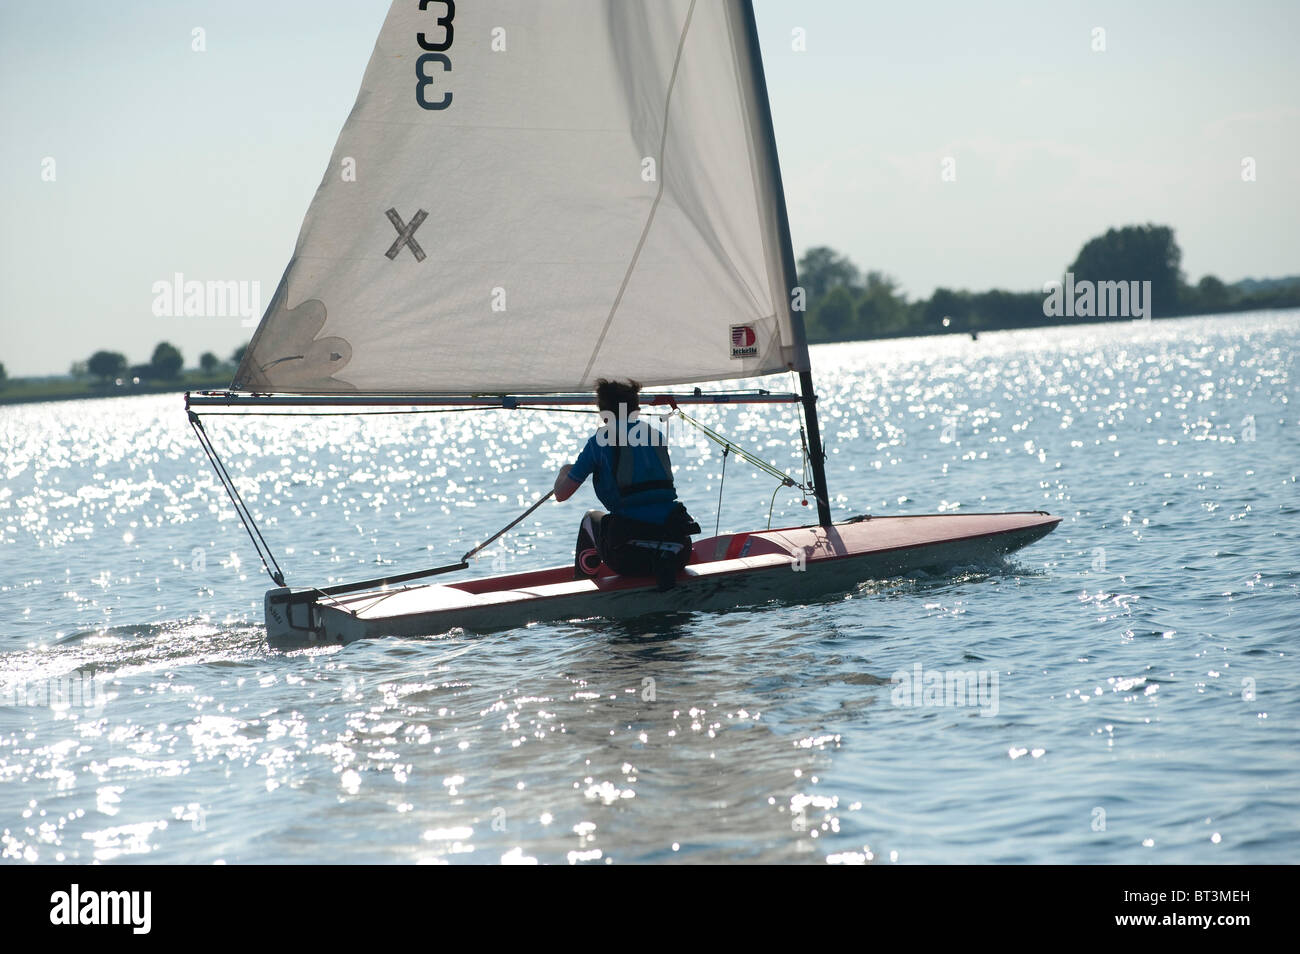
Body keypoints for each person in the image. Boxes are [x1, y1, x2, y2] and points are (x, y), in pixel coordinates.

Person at [554, 379, 700, 590]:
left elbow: (561, 494)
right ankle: (660, 559)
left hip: (629, 556)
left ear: (604, 413)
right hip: (679, 550)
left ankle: (582, 589)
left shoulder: (599, 442)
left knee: (590, 519)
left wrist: (564, 472)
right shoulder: (655, 436)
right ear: (636, 410)